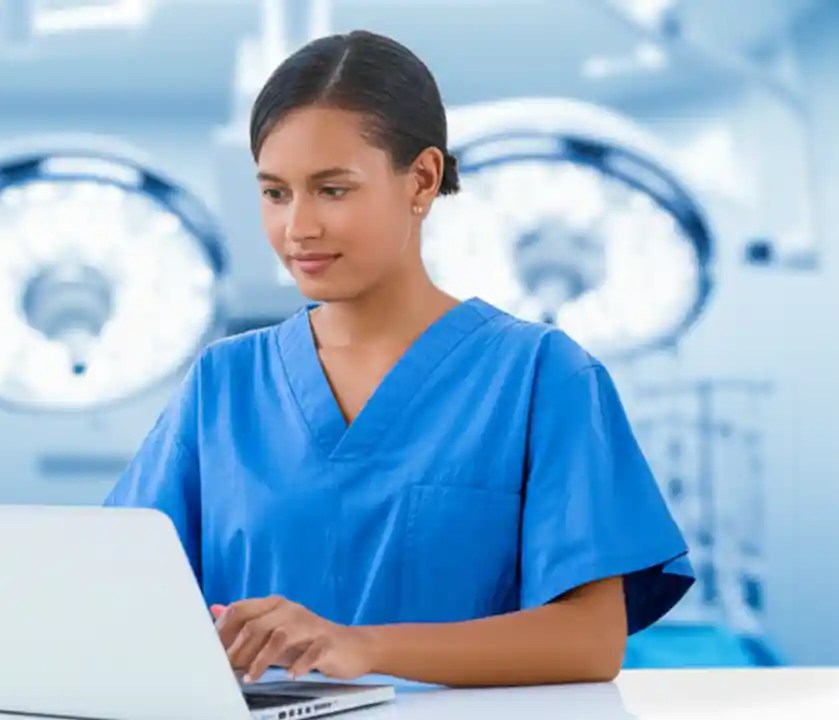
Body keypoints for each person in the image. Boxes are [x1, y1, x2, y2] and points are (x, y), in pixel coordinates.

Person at [104, 29, 692, 688]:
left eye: (332, 190)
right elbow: (117, 592)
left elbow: (589, 641)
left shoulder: (539, 376)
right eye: (275, 193)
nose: (298, 228)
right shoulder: (224, 384)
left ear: (421, 179)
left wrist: (359, 647)